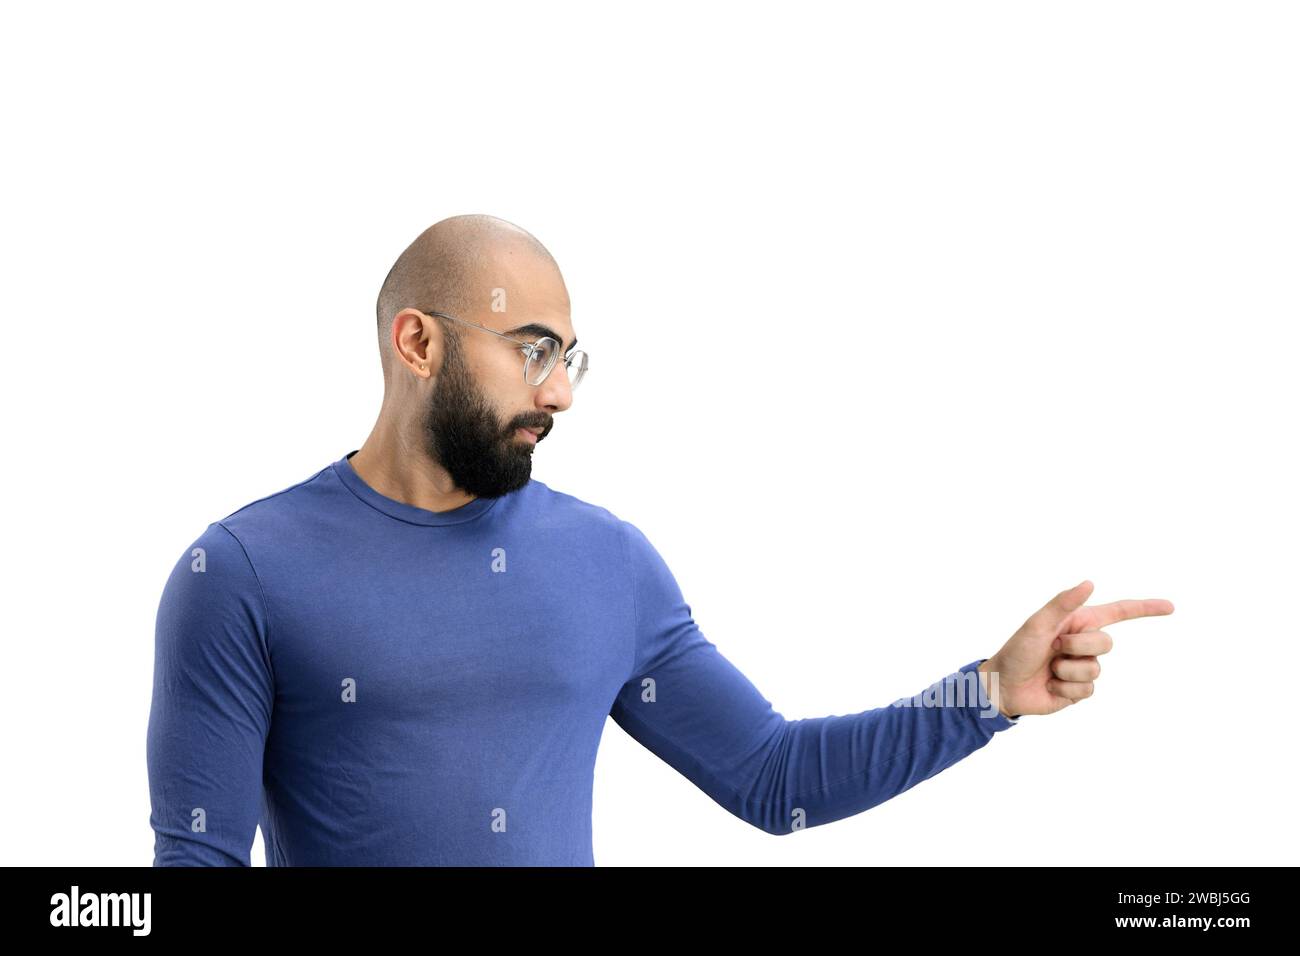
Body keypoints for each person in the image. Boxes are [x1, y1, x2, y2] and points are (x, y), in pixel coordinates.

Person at [146, 214, 1175, 865]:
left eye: (570, 358)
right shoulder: (242, 572)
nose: (557, 391)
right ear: (417, 342)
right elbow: (196, 862)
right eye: (530, 349)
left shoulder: (606, 564)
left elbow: (775, 777)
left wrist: (987, 689)